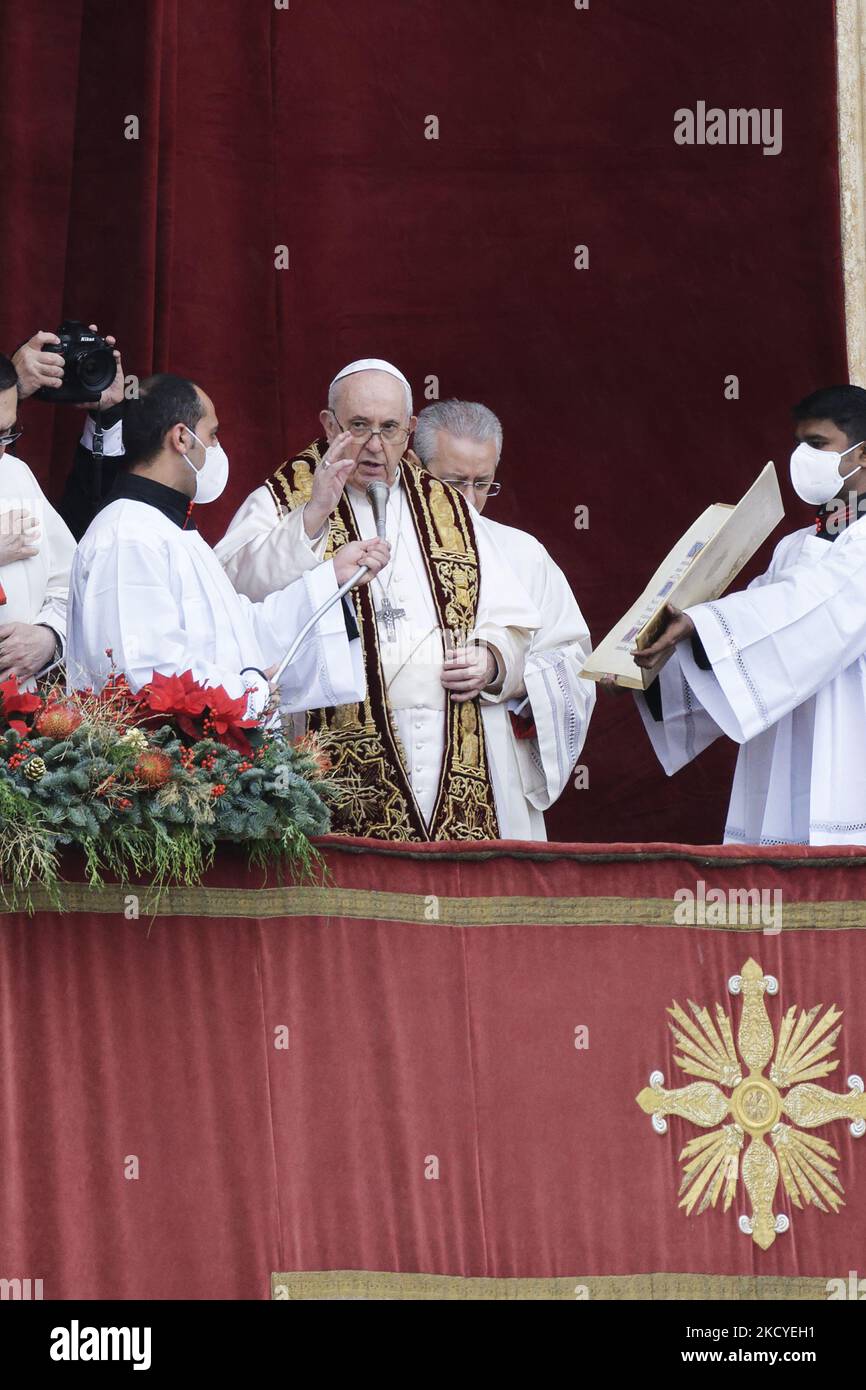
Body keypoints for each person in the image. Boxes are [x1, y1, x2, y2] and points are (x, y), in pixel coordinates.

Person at [215, 359, 540, 840]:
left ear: (409, 431)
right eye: (358, 427)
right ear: (329, 425)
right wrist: (313, 516)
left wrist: (491, 661)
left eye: (389, 429)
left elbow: (512, 623)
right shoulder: (286, 496)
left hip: (450, 752)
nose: (374, 445)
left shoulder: (448, 505)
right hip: (327, 747)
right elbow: (229, 593)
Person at [67, 374, 389, 717]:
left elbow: (240, 631)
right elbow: (142, 673)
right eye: (212, 435)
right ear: (181, 438)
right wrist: (245, 693)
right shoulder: (127, 535)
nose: (218, 447)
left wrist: (330, 578)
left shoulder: (172, 531)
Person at [630, 384, 866, 846]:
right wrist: (655, 661)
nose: (802, 456)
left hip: (851, 736)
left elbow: (813, 604)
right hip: (785, 739)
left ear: (862, 455)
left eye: (817, 445)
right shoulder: (796, 545)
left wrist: (703, 623)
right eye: (798, 443)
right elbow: (755, 628)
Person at [413, 398, 595, 836]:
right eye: (453, 483)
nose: (470, 501)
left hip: (496, 768)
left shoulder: (524, 554)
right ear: (414, 466)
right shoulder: (378, 546)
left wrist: (499, 670)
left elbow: (574, 663)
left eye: (483, 484)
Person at [0, 352, 75, 688]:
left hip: (19, 719)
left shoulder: (14, 476)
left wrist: (48, 637)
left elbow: (70, 583)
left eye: (6, 434)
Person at [11, 325, 126, 538]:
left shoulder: (19, 475)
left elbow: (80, 537)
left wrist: (108, 415)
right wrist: (11, 388)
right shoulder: (14, 469)